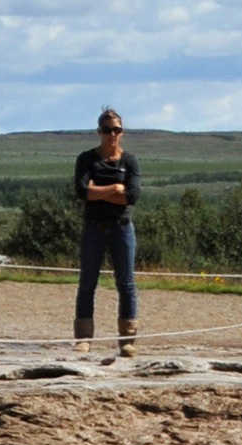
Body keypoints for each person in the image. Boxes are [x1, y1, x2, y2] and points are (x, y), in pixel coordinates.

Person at [73, 108, 142, 357]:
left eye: (117, 130)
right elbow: (82, 192)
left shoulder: (130, 161)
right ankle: (83, 338)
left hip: (121, 227)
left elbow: (132, 196)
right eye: (107, 130)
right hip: (93, 226)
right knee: (87, 281)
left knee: (126, 283)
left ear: (122, 132)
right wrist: (115, 188)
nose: (112, 134)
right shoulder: (87, 159)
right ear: (99, 132)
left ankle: (127, 339)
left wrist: (98, 191)